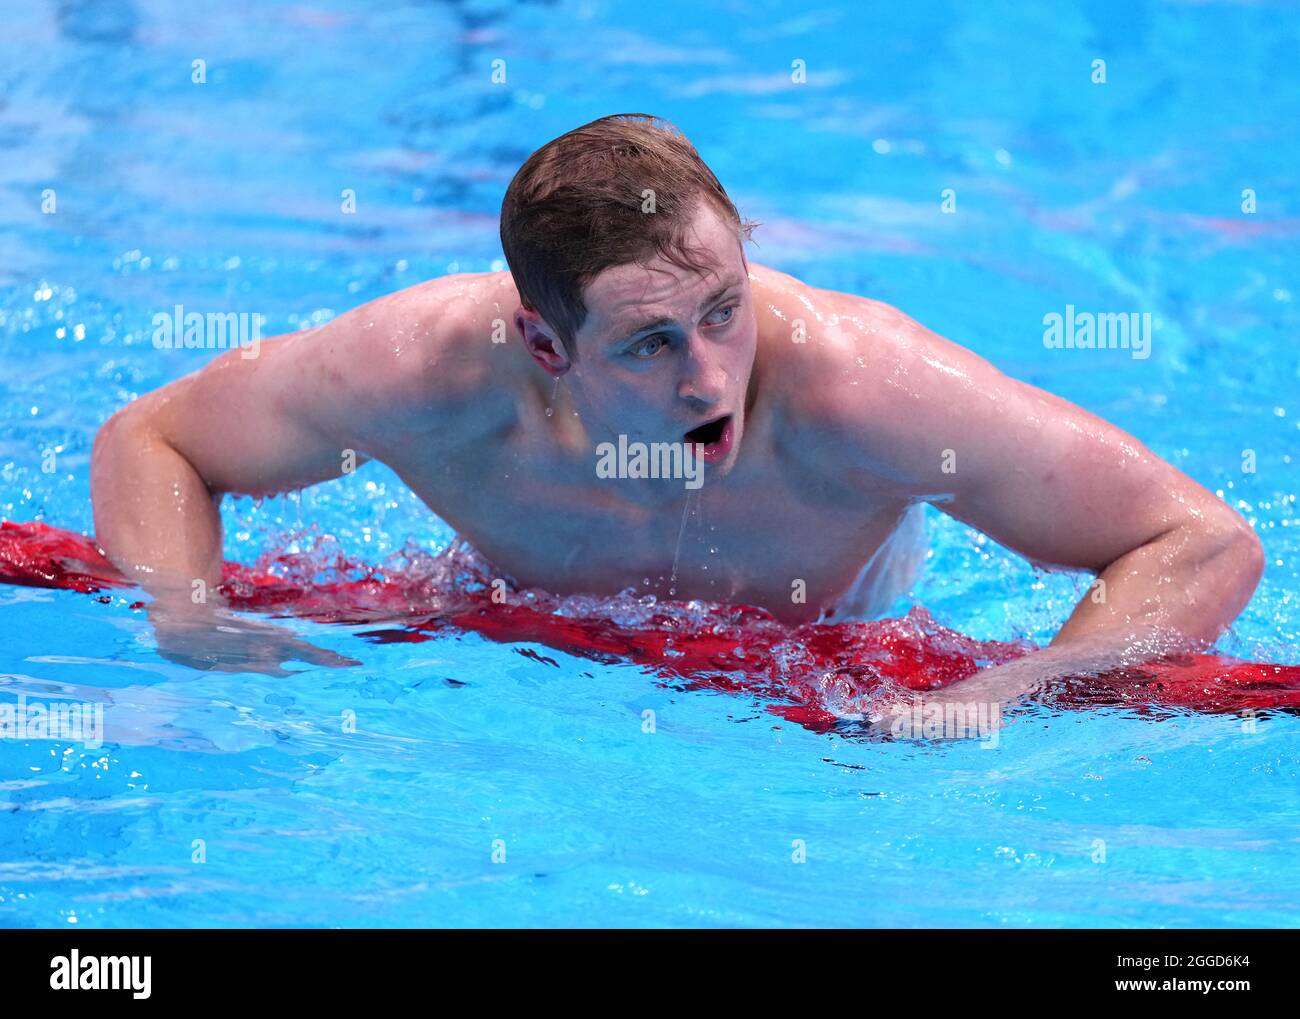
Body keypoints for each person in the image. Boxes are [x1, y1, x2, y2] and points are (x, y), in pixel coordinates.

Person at [91, 113, 1263, 722]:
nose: (710, 378)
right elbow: (153, 439)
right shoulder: (422, 372)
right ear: (545, 346)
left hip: (828, 729)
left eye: (724, 310)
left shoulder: (868, 391)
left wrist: (1023, 683)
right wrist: (184, 610)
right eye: (652, 343)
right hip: (517, 677)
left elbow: (1200, 539)